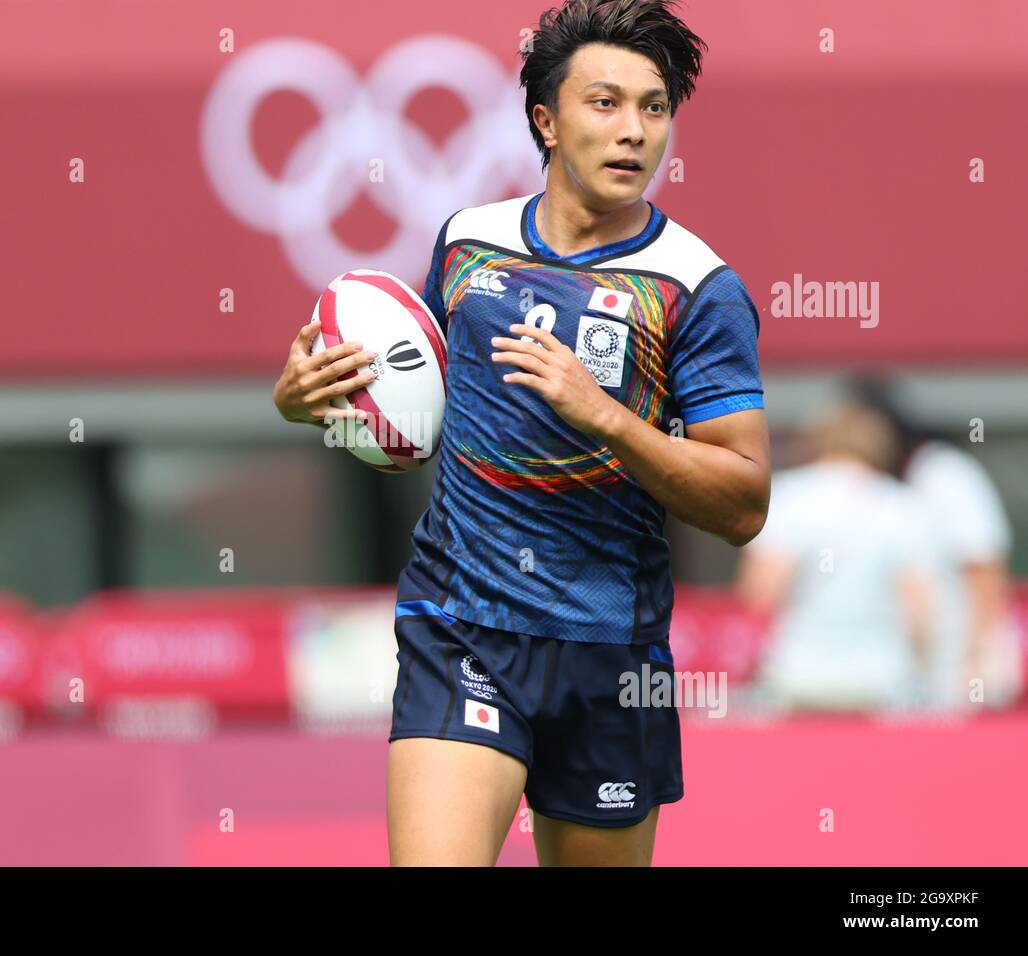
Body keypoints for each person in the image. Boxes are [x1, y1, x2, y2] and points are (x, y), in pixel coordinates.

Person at [273, 0, 770, 865]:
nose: (634, 132)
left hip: (612, 654)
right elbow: (414, 421)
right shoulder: (468, 244)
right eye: (606, 103)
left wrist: (605, 416)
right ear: (546, 120)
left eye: (654, 109)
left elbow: (743, 503)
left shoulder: (697, 287)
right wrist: (313, 404)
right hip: (461, 624)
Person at [736, 401, 936, 714]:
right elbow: (920, 612)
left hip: (798, 675)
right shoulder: (902, 506)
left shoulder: (789, 497)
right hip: (882, 680)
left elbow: (761, 593)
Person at [848, 379, 1023, 713]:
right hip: (924, 666)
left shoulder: (945, 473)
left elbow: (983, 565)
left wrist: (978, 654)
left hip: (961, 661)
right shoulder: (894, 486)